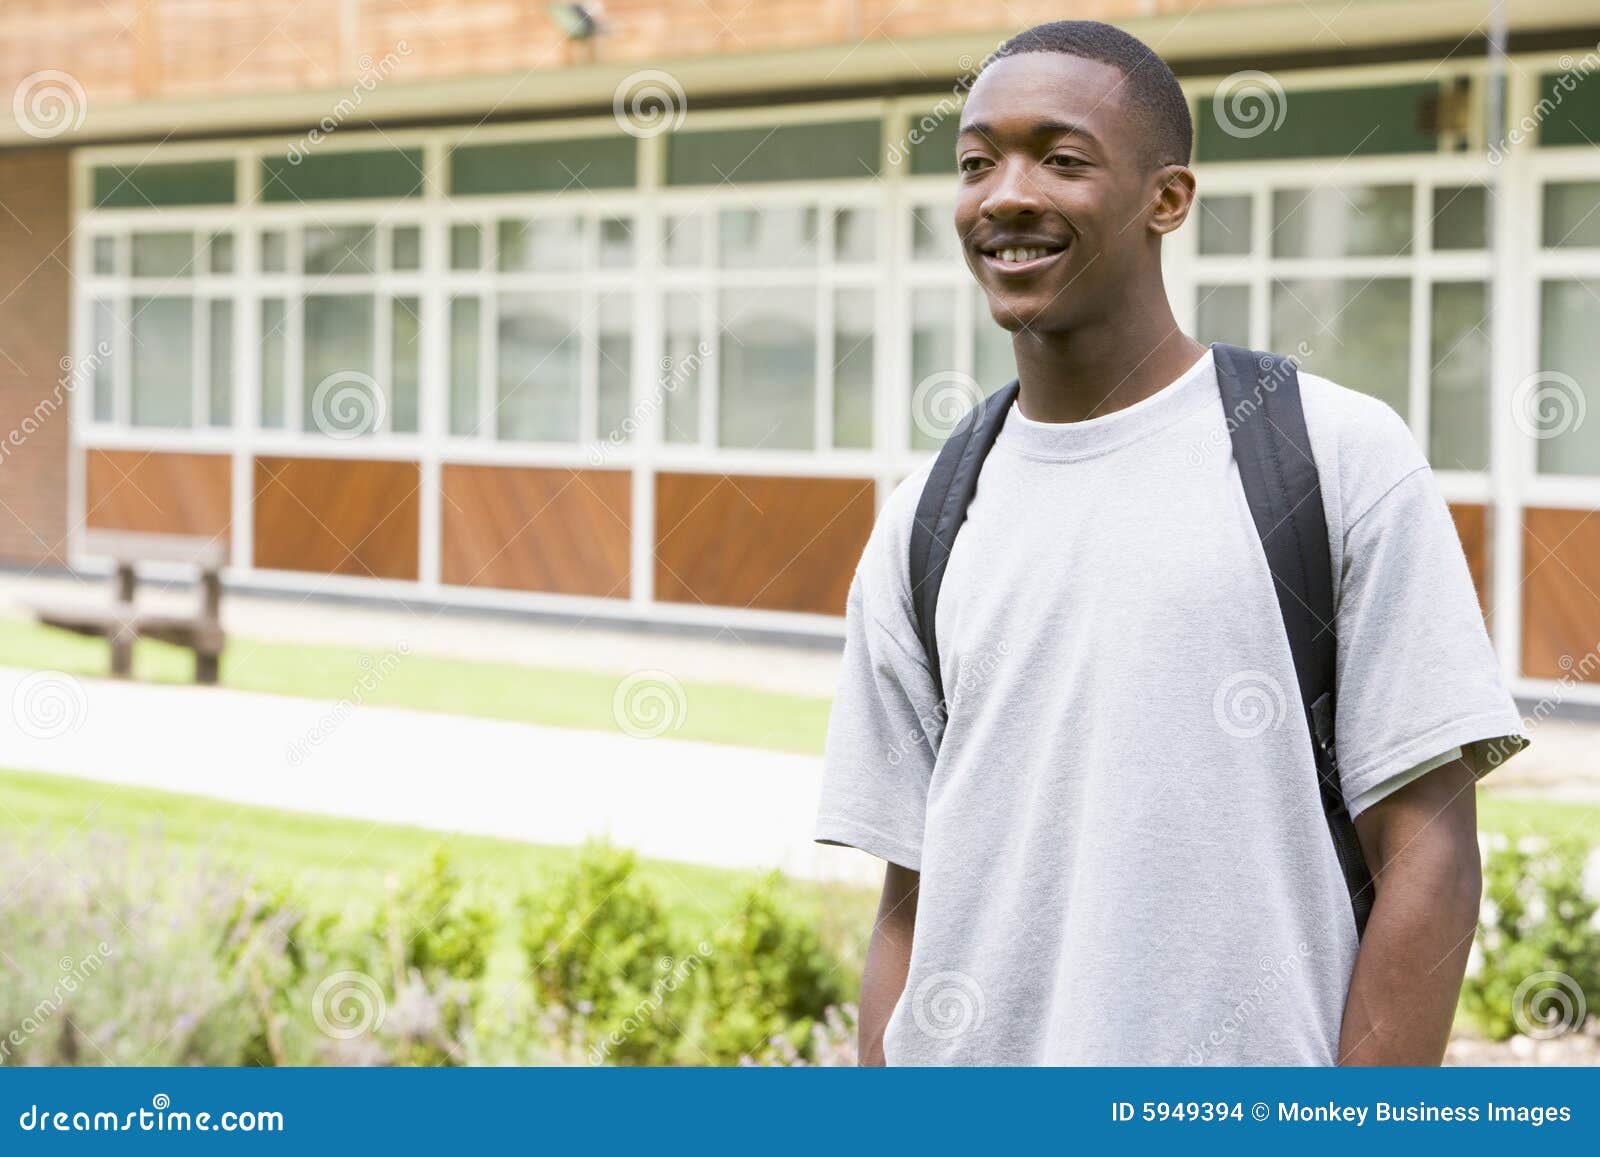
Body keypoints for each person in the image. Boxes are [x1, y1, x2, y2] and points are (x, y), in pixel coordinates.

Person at [813, 19, 1527, 1066]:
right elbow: (909, 901)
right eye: (974, 162)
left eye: (1060, 158)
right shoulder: (926, 513)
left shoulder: (1328, 453)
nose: (1004, 193)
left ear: (1167, 198)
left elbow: (1427, 850)